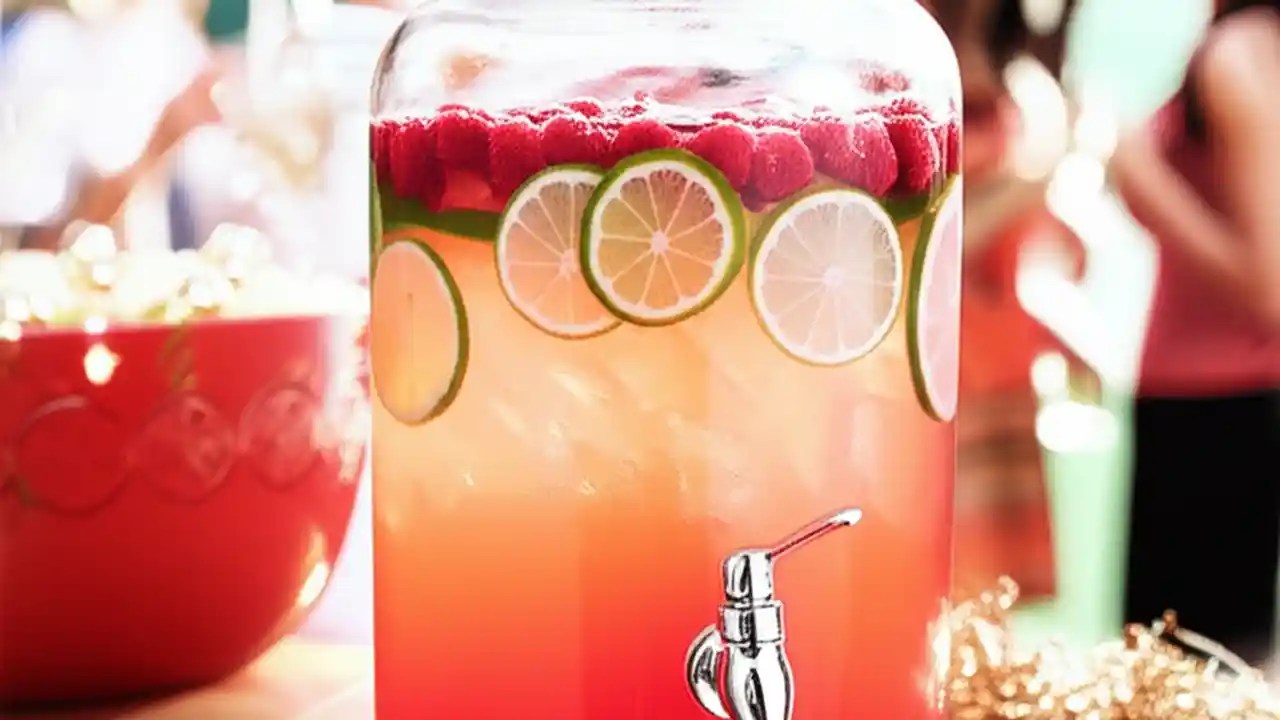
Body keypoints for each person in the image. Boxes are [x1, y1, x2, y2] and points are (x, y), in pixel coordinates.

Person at [1111, 0, 1280, 665]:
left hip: (1213, 408)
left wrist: (1144, 181)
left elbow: (1267, 288)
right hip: (1220, 402)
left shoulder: (1240, 53)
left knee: (1187, 672)